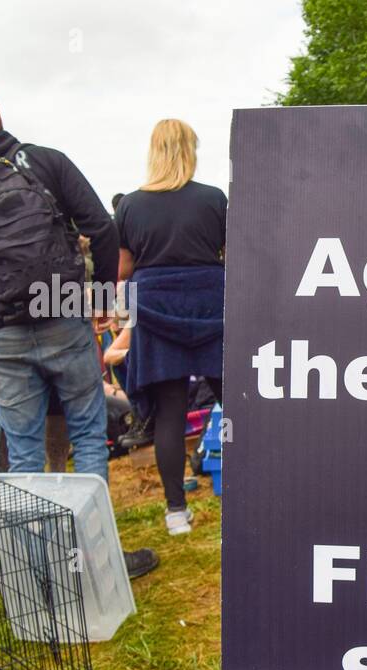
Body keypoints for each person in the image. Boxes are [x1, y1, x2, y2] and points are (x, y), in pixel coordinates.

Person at [0, 79, 157, 578]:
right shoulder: (45, 161)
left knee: (24, 454)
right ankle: (97, 563)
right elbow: (103, 227)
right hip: (65, 319)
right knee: (89, 438)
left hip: (3, 334)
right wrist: (94, 299)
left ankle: (42, 571)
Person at [114, 119, 225, 535]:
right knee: (237, 404)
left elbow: (122, 268)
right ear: (189, 150)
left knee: (170, 414)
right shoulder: (214, 199)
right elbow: (232, 255)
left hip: (156, 307)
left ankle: (176, 512)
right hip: (211, 304)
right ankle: (254, 487)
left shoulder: (129, 205)